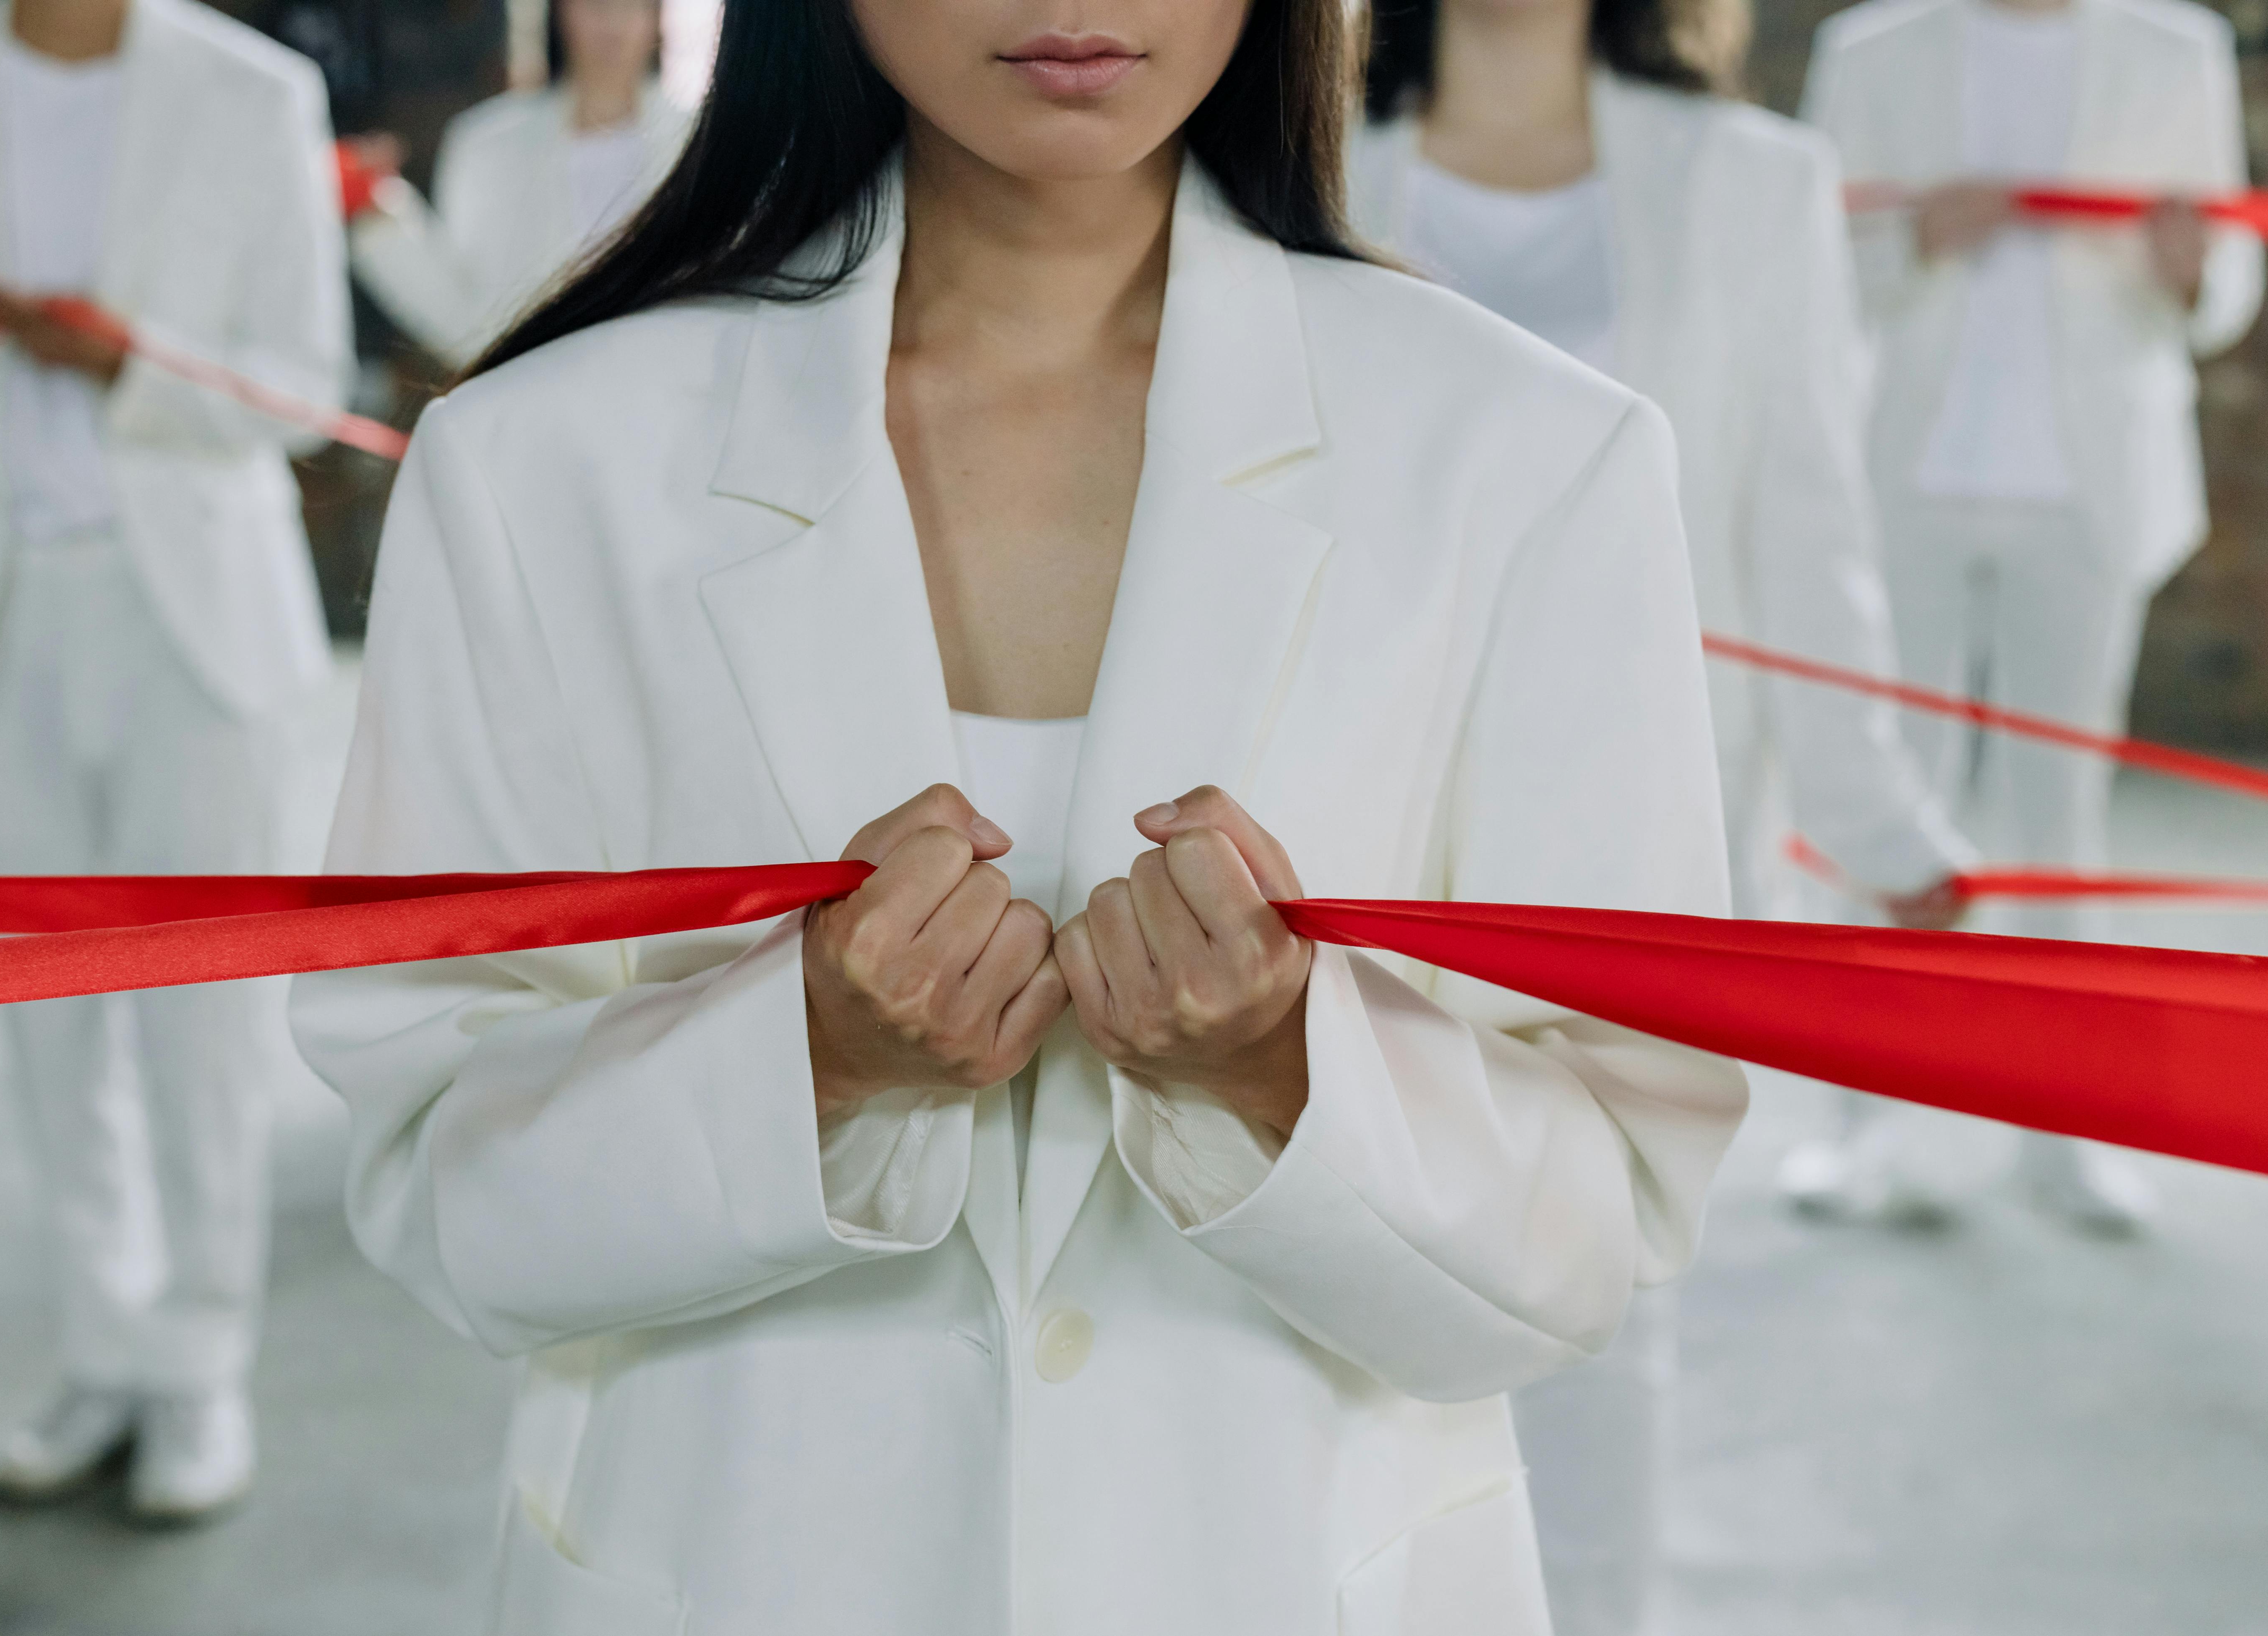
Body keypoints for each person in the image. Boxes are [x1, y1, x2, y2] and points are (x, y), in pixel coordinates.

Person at [289, 1, 1749, 1630]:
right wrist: (810, 1062)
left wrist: (1284, 1074)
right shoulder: (539, 463)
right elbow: (433, 1184)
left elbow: (1605, 1216)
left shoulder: (1533, 459)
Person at [1347, 2, 1970, 1630]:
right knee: (1344, 1283)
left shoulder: (1757, 179)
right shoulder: (1298, 148)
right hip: (1343, 821)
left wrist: (1876, 820)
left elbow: (1806, 522)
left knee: (1595, 1295)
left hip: (1637, 827)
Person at [0, 0, 350, 1521]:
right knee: (48, 1025)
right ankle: (101, 1351)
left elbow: (305, 382)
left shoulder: (257, 93)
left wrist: (124, 362)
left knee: (200, 1016)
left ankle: (201, 1371)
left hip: (192, 623)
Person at [1796, 0, 2262, 1232]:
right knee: (1896, 804)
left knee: (2059, 817)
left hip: (2087, 487)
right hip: (1905, 476)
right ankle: (1862, 1126)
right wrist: (1913, 240)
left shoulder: (2175, 51)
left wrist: (2196, 274)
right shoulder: (1870, 51)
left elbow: (2223, 267)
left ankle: (2068, 1130)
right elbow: (1799, 262)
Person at [346, 0, 693, 368]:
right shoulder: (487, 144)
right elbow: (468, 320)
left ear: (657, 16)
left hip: (667, 393)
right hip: (531, 395)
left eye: (633, 5)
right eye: (595, 4)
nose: (612, 22)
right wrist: (381, 216)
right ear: (560, 12)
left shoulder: (700, 144)